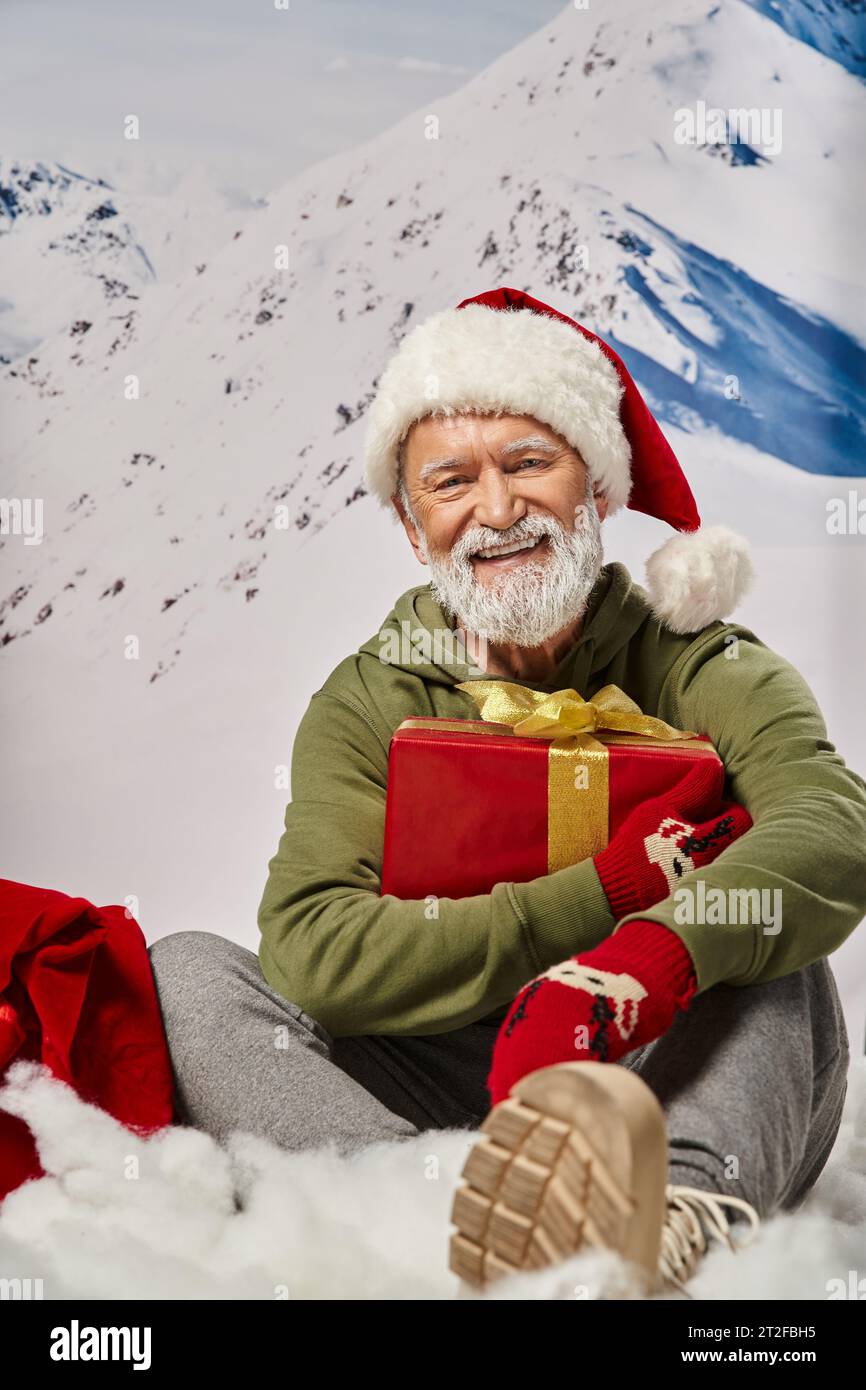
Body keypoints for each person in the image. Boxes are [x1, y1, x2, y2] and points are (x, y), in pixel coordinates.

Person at [148, 288, 863, 1298]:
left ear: (596, 491)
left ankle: (662, 1231)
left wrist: (638, 963)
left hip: (655, 1082)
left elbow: (833, 826)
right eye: (449, 481)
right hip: (431, 1084)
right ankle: (420, 1204)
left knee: (773, 945)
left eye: (529, 463)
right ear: (410, 525)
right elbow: (313, 952)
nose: (494, 510)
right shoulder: (369, 697)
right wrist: (600, 894)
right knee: (185, 970)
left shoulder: (704, 662)